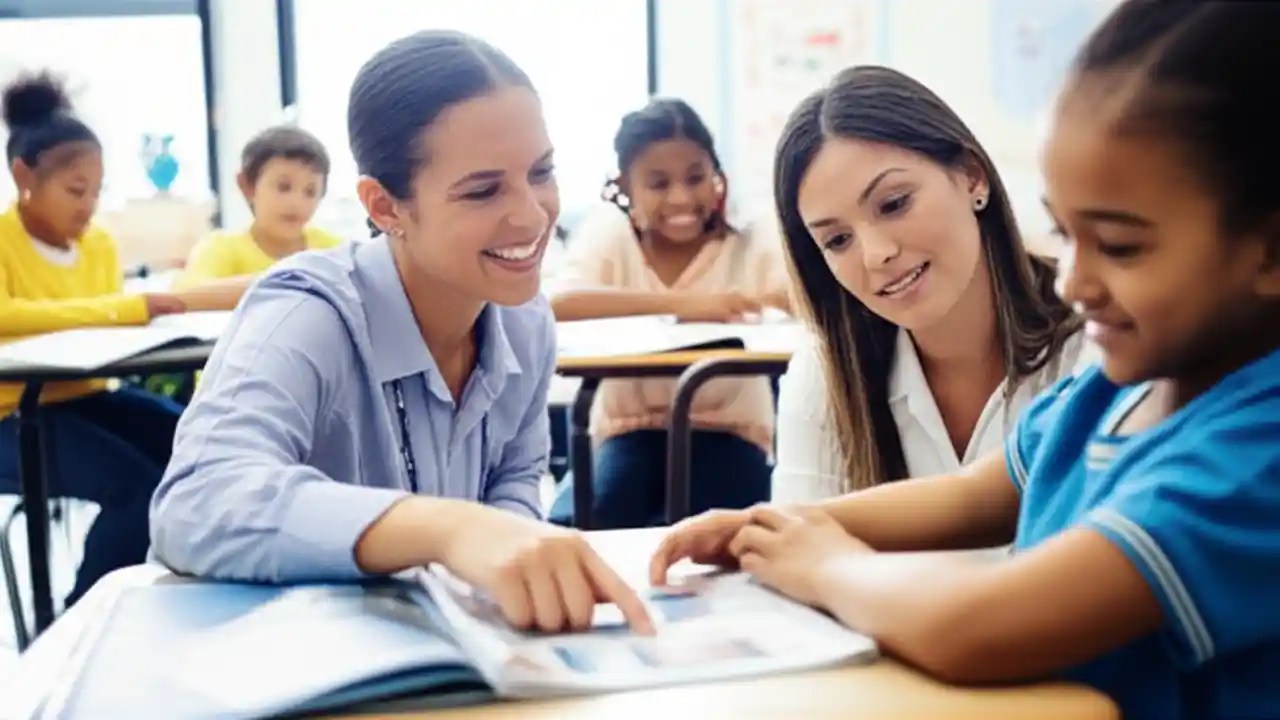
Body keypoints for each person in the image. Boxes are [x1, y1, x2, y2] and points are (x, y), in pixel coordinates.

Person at [651, 2, 1280, 717]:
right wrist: (773, 527)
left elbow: (976, 626)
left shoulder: (1255, 453)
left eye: (1122, 246)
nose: (1074, 281)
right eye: (1067, 235)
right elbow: (970, 498)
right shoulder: (1110, 394)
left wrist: (827, 563)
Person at [150, 30, 652, 635]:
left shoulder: (525, 321)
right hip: (270, 654)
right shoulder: (306, 312)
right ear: (385, 208)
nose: (533, 212)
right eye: (483, 190)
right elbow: (198, 502)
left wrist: (510, 557)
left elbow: (515, 479)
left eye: (540, 172)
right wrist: (448, 530)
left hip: (440, 653)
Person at [769, 65, 1085, 501]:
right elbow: (797, 545)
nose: (876, 254)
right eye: (838, 240)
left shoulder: (1093, 336)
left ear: (972, 176)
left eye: (894, 204)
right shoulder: (827, 374)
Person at [547, 99, 789, 528]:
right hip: (629, 432)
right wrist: (683, 305)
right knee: (587, 521)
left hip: (729, 431)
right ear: (625, 186)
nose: (681, 197)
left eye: (696, 178)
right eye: (658, 183)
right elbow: (559, 305)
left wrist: (779, 295)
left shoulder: (749, 235)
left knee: (719, 531)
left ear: (717, 175)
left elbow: (806, 298)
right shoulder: (611, 230)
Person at [0, 72, 188, 605]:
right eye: (75, 190)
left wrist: (126, 313)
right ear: (23, 177)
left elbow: (97, 328)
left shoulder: (100, 246)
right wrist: (128, 308)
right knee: (137, 490)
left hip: (84, 394)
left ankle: (176, 595)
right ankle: (83, 622)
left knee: (201, 450)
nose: (88, 206)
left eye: (97, 191)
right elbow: (5, 315)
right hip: (11, 413)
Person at [174, 124, 341, 290]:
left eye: (310, 192)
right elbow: (185, 292)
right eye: (283, 187)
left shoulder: (332, 251)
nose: (296, 202)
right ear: (247, 185)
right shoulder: (221, 248)